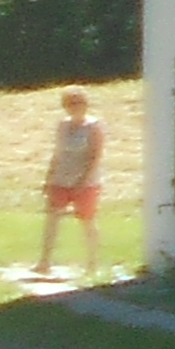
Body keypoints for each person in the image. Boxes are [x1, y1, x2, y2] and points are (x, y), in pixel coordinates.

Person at [33, 90, 104, 279]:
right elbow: (57, 153)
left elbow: (95, 156)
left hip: (86, 182)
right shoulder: (62, 125)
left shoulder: (93, 126)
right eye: (70, 104)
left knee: (87, 220)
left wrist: (83, 180)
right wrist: (49, 177)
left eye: (79, 103)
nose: (75, 107)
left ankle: (92, 264)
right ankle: (45, 262)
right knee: (52, 218)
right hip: (61, 178)